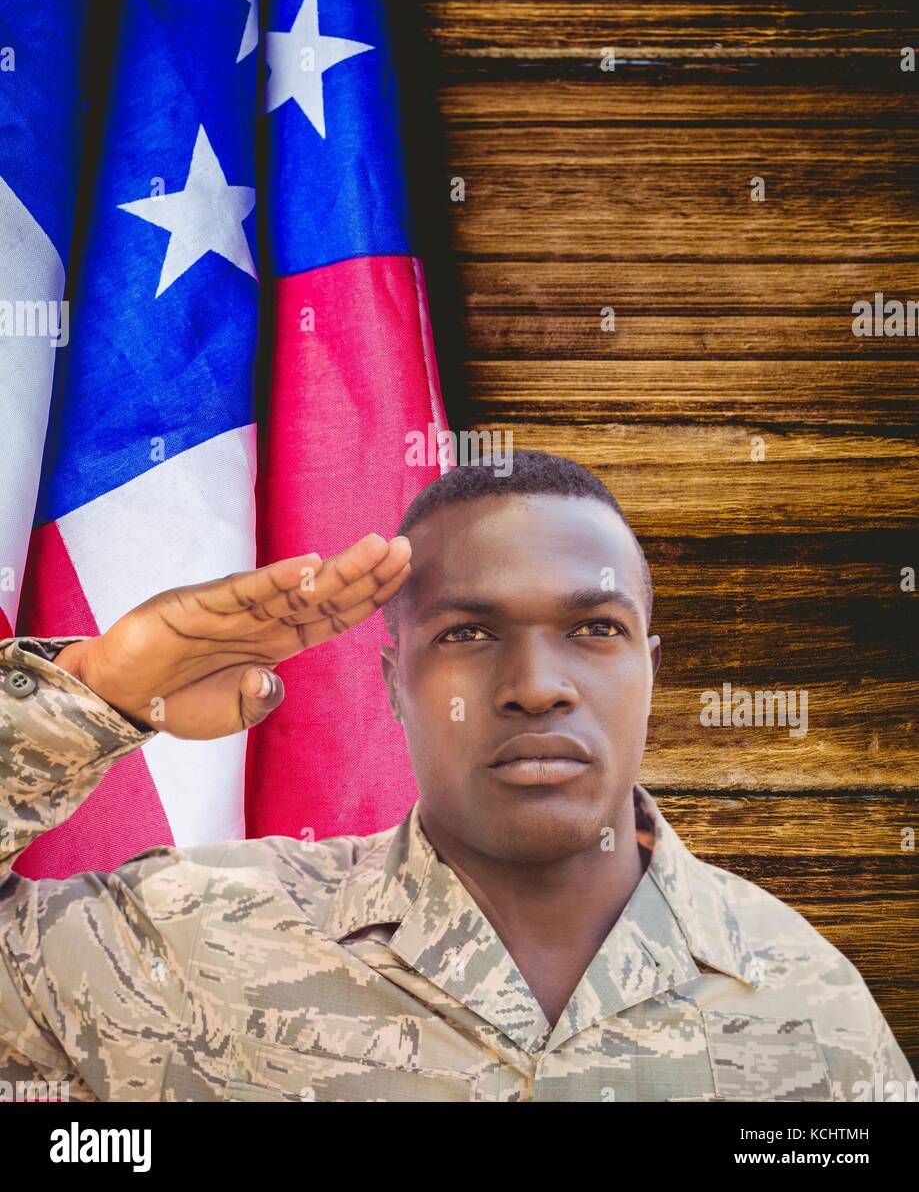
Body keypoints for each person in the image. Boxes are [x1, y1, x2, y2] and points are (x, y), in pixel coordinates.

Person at [0, 451, 912, 1101]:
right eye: (467, 633)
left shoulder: (802, 996)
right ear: (394, 682)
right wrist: (88, 694)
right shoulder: (188, 942)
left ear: (650, 669)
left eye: (595, 629)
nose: (536, 687)